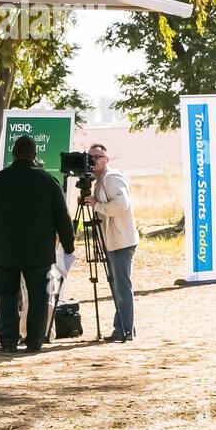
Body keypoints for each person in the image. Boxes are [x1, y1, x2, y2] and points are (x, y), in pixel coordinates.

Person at [0, 135, 76, 354]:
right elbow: (63, 218)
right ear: (34, 155)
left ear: (13, 154)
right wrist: (69, 247)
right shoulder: (48, 182)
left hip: (6, 252)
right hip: (39, 254)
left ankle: (8, 342)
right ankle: (34, 342)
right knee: (39, 298)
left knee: (6, 297)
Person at [86, 143, 137, 342]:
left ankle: (124, 330)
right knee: (118, 286)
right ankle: (125, 327)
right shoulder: (99, 181)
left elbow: (122, 204)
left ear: (106, 159)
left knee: (122, 286)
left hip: (121, 240)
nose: (93, 160)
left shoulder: (112, 178)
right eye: (90, 157)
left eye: (97, 156)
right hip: (113, 240)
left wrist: (97, 205)